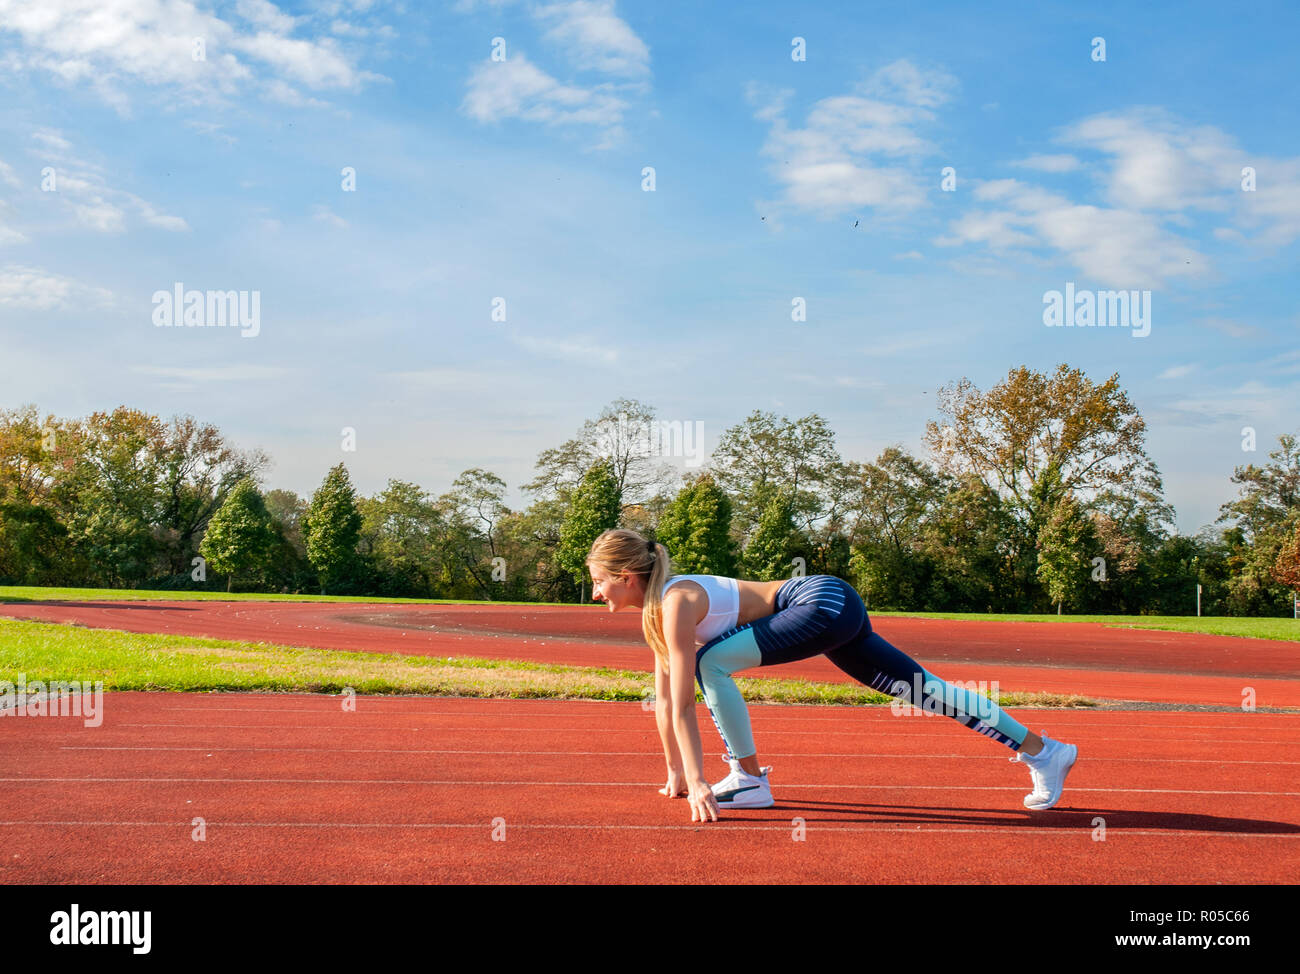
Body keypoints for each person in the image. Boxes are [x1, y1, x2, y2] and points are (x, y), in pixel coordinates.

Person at [586, 528, 1079, 824]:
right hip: (833, 605)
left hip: (818, 601)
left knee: (711, 662)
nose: (595, 593)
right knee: (925, 692)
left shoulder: (676, 602)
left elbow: (689, 700)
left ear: (626, 577)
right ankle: (1044, 751)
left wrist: (699, 781)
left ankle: (750, 779)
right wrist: (676, 773)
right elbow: (668, 703)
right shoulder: (657, 614)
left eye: (598, 582)